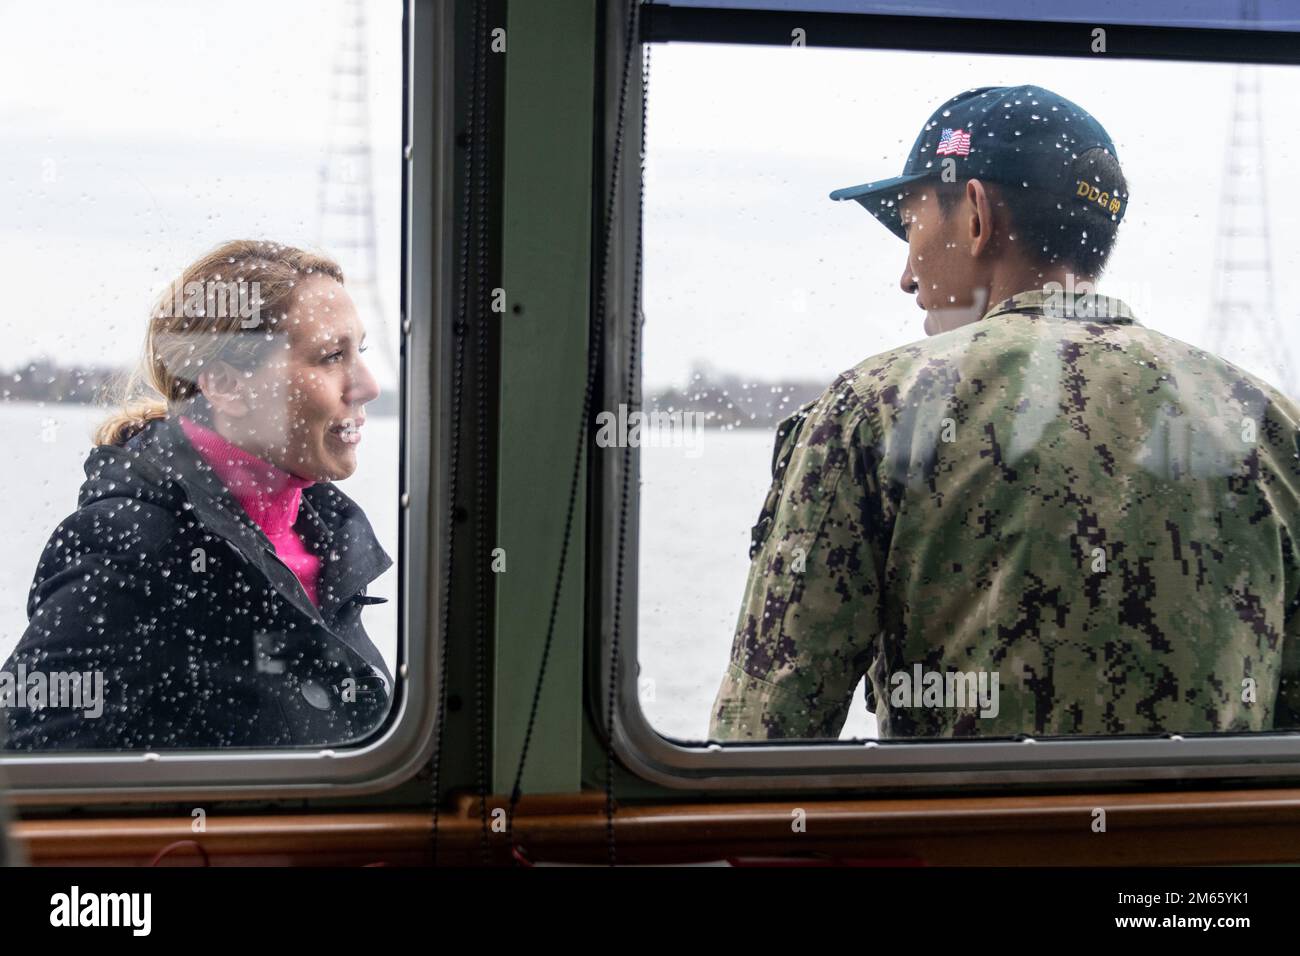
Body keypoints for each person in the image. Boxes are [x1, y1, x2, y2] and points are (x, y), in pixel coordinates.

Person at [710, 84, 1300, 740]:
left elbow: (760, 741)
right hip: (1227, 846)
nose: (907, 275)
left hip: (967, 844)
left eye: (911, 228)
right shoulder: (1270, 428)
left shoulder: (875, 410)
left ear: (975, 214)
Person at [2, 240, 392, 750]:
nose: (367, 385)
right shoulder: (128, 546)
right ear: (227, 387)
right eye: (330, 357)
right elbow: (28, 762)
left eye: (359, 351)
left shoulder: (323, 533)